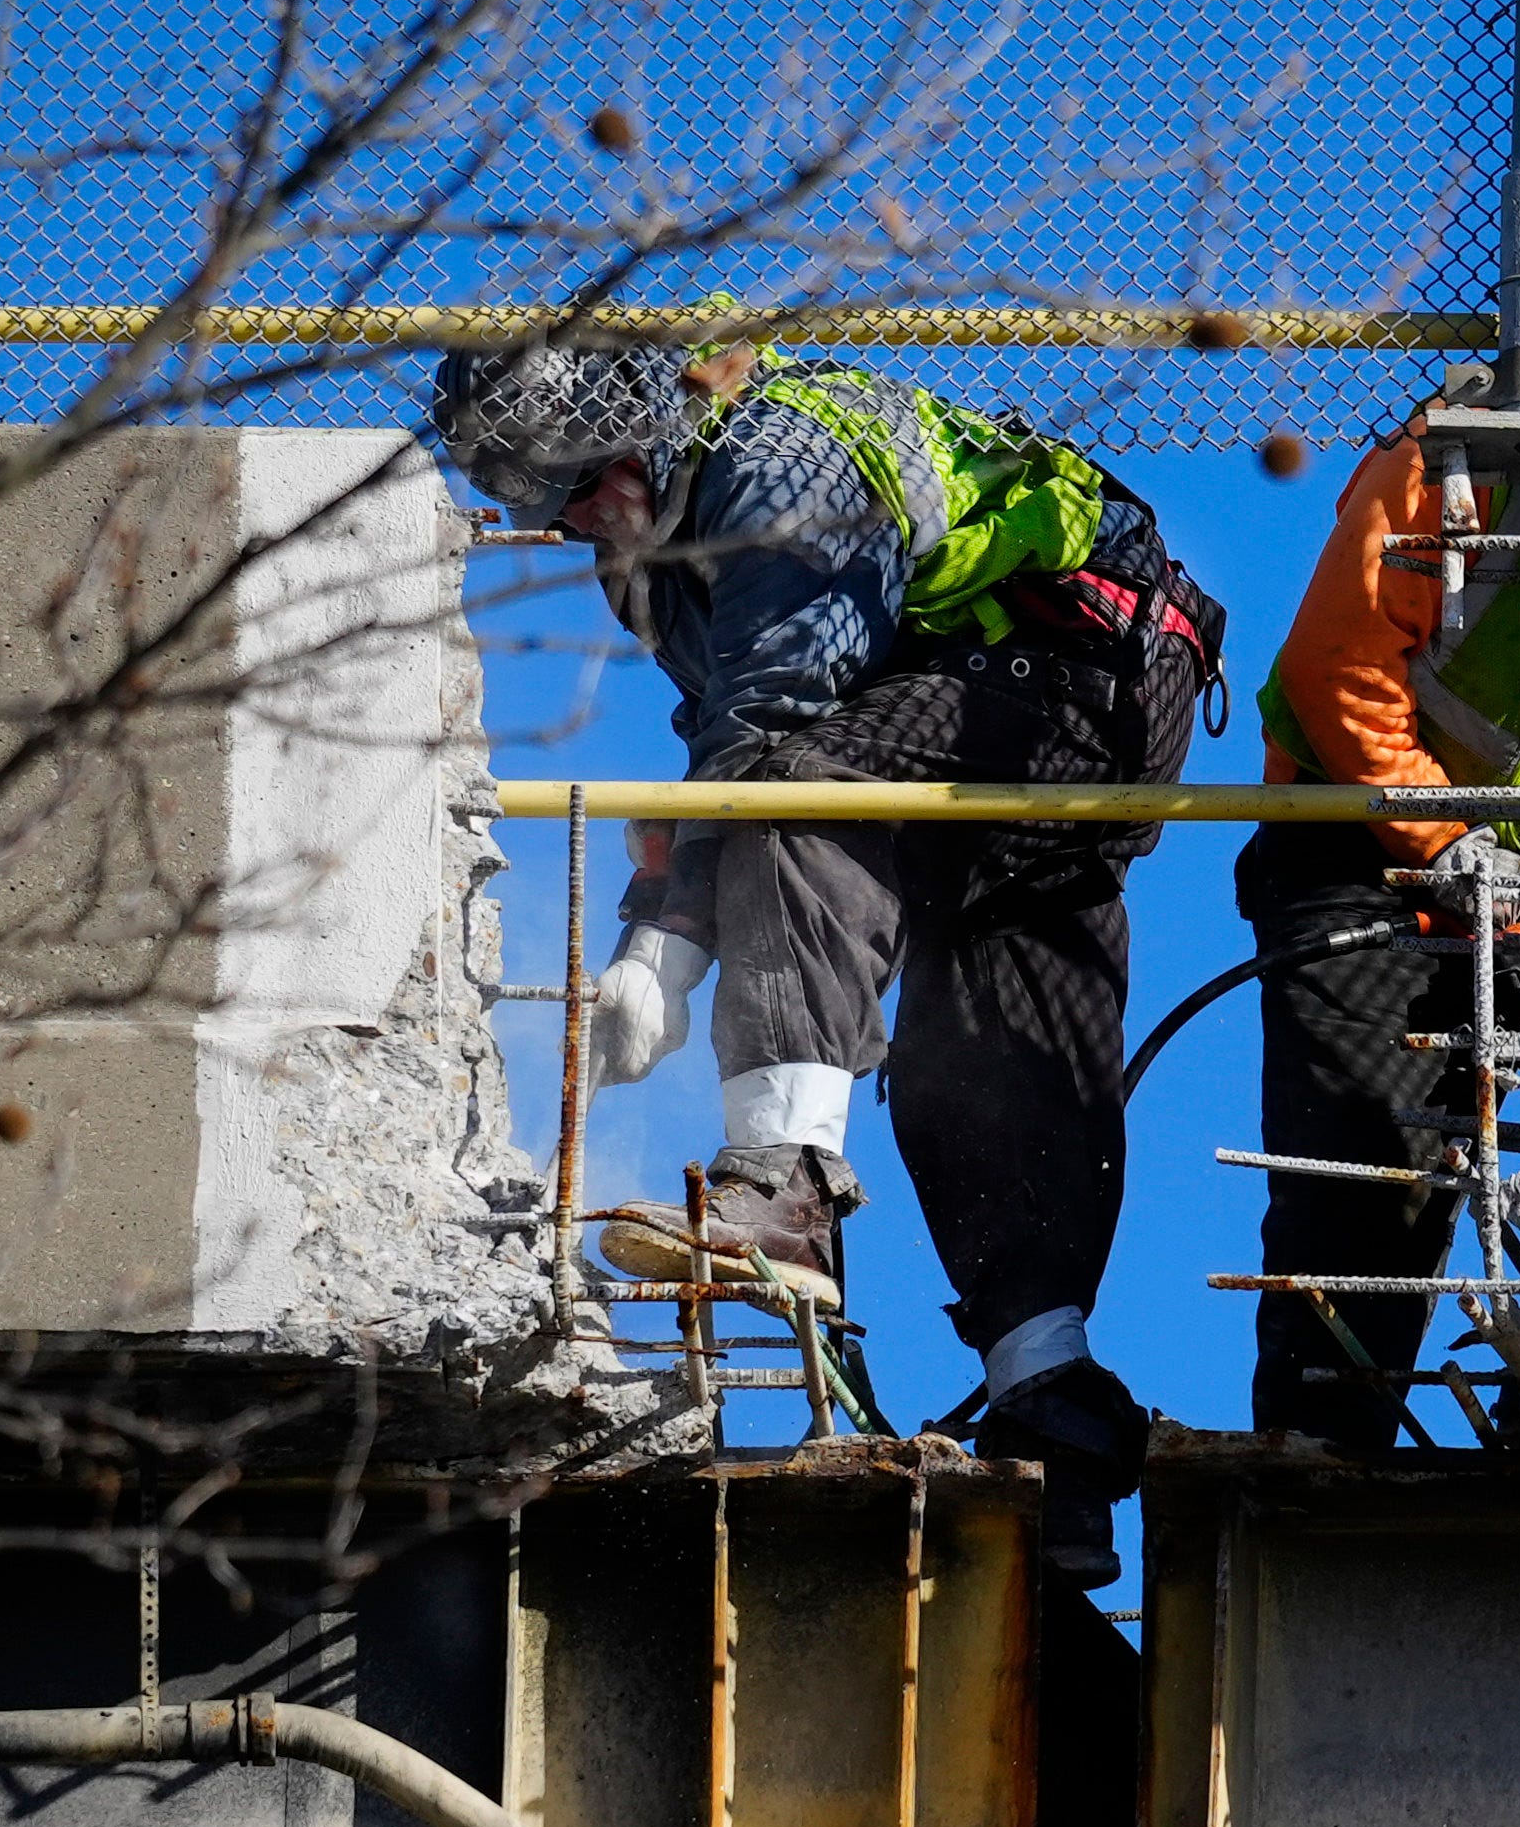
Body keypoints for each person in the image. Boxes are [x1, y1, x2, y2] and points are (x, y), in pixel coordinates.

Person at [431, 337, 1221, 1582]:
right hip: (976, 699)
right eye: (544, 500)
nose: (578, 516)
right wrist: (669, 894)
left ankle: (781, 1191)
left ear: (638, 432)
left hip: (1076, 670)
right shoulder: (644, 546)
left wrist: (667, 941)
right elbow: (724, 727)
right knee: (977, 1042)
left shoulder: (778, 458)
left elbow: (775, 729)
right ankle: (1049, 1400)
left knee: (794, 792)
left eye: (581, 481)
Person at [1237, 412, 1520, 1445]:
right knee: (1369, 1173)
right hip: (1357, 847)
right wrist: (1442, 838)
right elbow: (1338, 663)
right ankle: (1322, 1451)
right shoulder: (1459, 471)